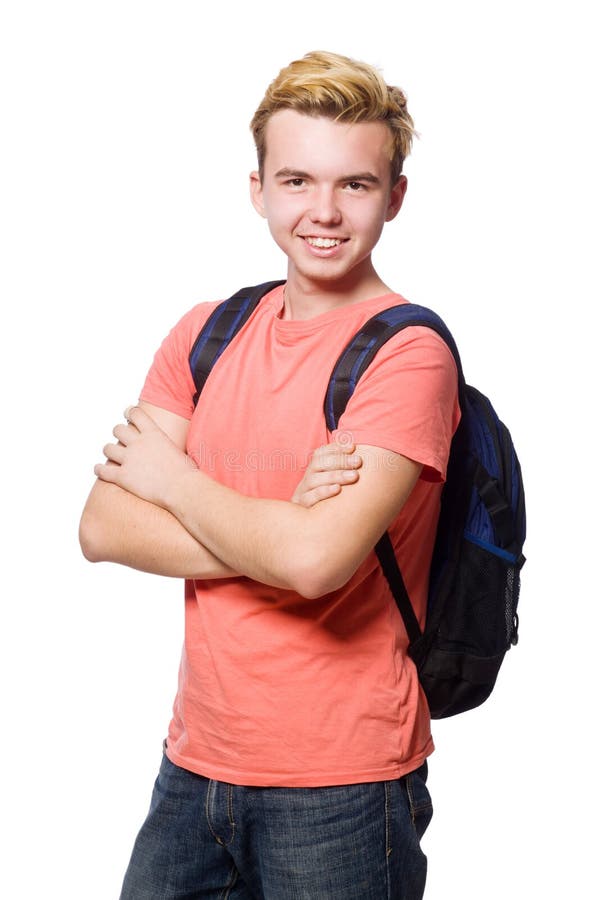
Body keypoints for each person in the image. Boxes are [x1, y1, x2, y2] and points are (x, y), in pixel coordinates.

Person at [80, 50, 460, 900]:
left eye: (355, 186)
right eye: (296, 181)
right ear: (257, 188)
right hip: (192, 767)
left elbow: (315, 564)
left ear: (395, 196)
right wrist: (283, 527)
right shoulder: (206, 333)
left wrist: (175, 483)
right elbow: (101, 528)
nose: (322, 212)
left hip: (344, 782)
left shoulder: (407, 355)